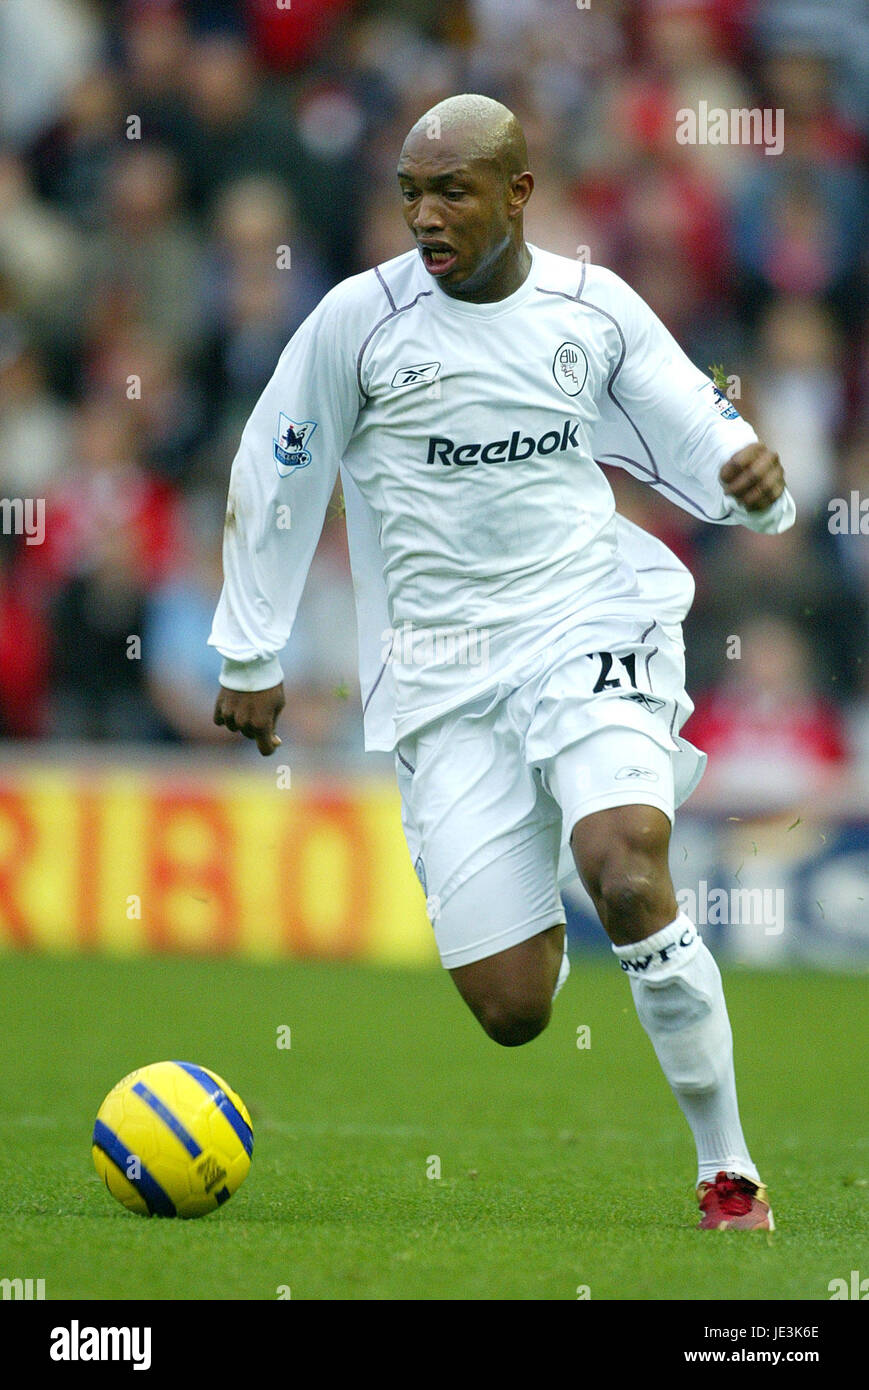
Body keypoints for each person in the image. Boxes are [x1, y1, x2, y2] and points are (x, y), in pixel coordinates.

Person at [210, 95, 795, 1230]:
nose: (425, 216)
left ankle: (726, 1172)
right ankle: (527, 844)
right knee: (511, 1008)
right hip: (440, 675)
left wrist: (745, 476)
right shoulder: (354, 325)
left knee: (626, 869)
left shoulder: (595, 309)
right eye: (410, 195)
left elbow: (697, 423)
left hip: (588, 621)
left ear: (518, 194)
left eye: (452, 193)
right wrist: (248, 648)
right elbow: (276, 470)